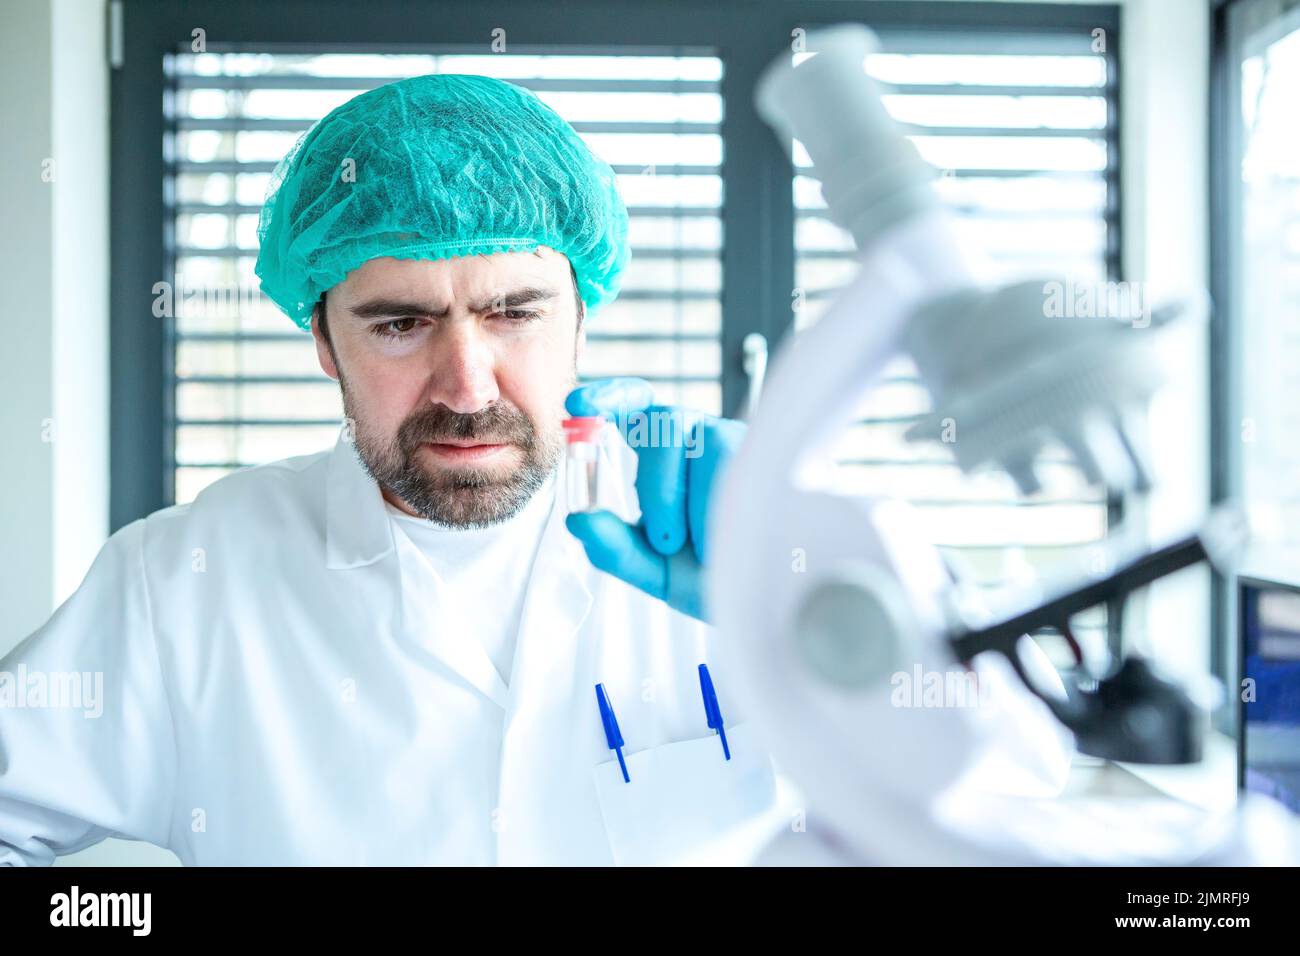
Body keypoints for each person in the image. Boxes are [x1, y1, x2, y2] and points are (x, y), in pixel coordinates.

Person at [0, 73, 775, 866]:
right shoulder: (182, 582)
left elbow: (901, 801)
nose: (468, 388)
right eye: (401, 324)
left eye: (514, 313)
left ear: (581, 318)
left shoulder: (734, 543)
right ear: (324, 343)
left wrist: (847, 613)